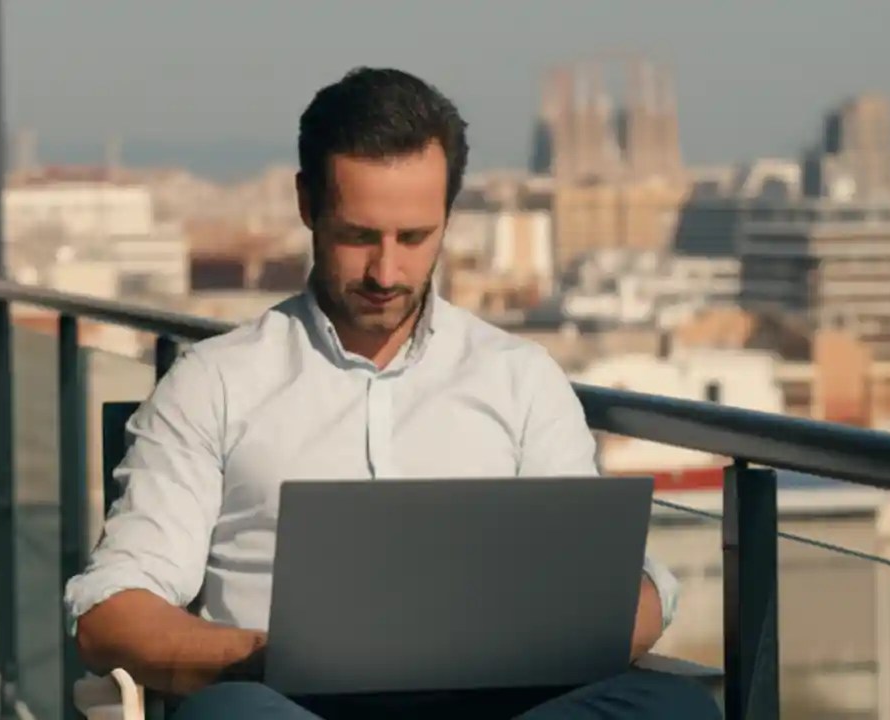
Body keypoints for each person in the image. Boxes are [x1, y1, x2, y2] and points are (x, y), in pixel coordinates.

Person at [64, 67, 720, 719]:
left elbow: (613, 584)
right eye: (358, 236)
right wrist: (270, 655)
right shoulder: (216, 385)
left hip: (498, 704)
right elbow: (110, 612)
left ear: (447, 217)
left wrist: (594, 622)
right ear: (306, 205)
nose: (386, 271)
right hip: (291, 706)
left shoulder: (518, 379)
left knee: (672, 707)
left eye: (414, 237)